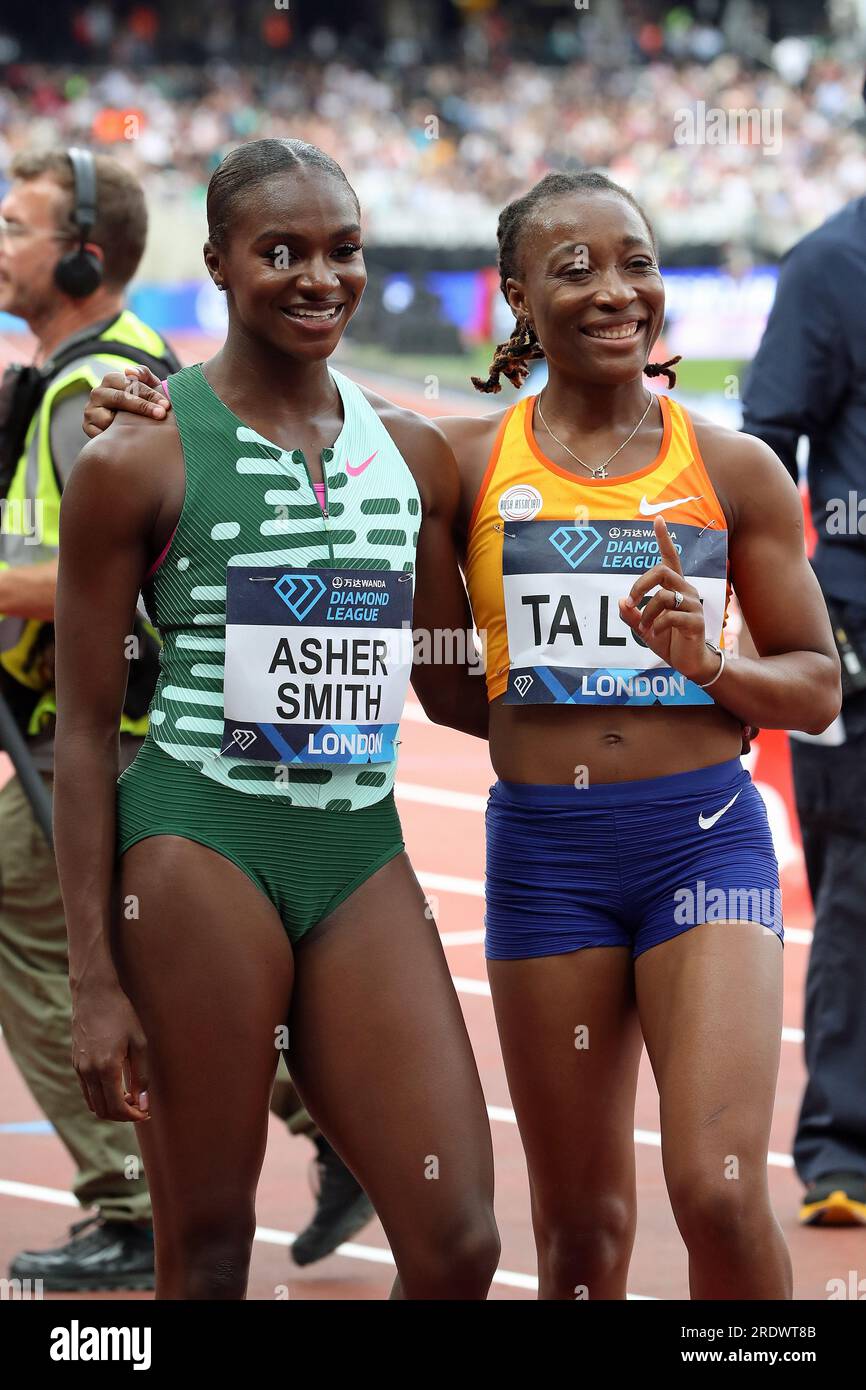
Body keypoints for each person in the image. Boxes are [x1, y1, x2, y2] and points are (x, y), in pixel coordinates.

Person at [53, 138, 499, 1300]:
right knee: (203, 1252)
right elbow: (90, 729)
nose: (319, 277)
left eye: (342, 250)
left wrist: (667, 697)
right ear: (216, 264)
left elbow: (450, 682)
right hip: (199, 842)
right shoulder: (136, 452)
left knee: (458, 1243)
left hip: (358, 849)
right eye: (281, 252)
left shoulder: (410, 451)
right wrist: (93, 979)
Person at [444, 172, 838, 1298]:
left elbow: (814, 689)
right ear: (514, 294)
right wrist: (151, 399)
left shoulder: (728, 468)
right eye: (575, 270)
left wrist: (707, 665)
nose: (618, 293)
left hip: (701, 842)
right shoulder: (463, 464)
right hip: (544, 861)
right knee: (576, 1235)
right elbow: (439, 686)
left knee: (717, 1190)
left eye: (637, 263)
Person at [0, 147, 179, 1290]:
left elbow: (91, 570)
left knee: (33, 917)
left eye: (17, 226)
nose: (1, 246)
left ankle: (127, 1203)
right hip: (118, 725)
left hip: (99, 730)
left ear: (81, 254)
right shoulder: (114, 366)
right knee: (165, 956)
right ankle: (331, 1119)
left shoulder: (82, 393)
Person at [741, 143, 866, 1226]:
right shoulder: (827, 265)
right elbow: (762, 448)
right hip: (864, 631)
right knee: (858, 891)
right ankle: (841, 1155)